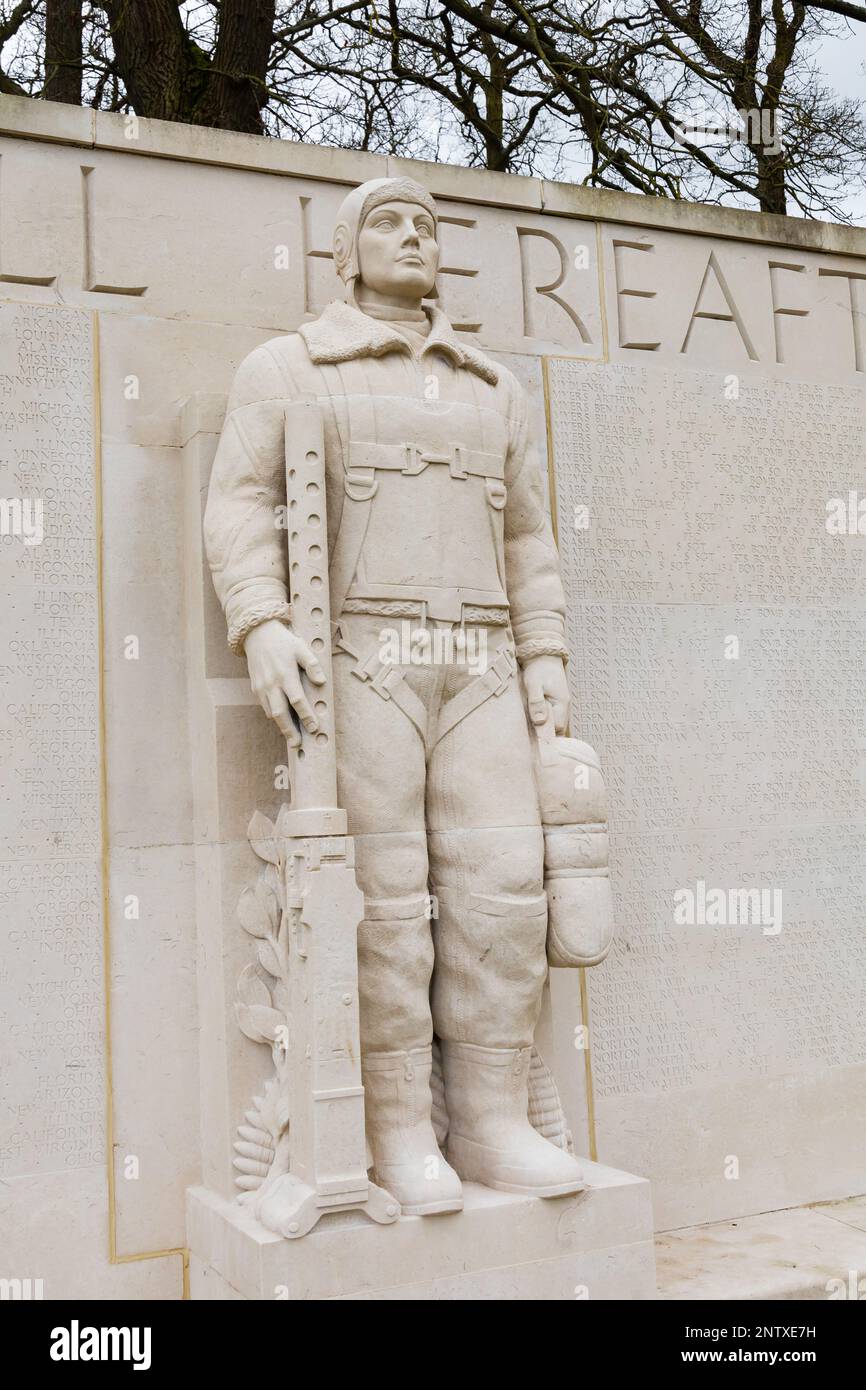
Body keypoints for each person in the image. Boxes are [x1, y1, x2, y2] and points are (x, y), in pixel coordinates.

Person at [204, 176, 585, 1215]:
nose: (413, 235)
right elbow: (239, 504)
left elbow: (528, 536)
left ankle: (493, 1124)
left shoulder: (493, 389)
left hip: (482, 665)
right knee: (380, 902)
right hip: (360, 661)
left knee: (504, 889)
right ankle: (400, 1131)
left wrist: (544, 651)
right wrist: (261, 622)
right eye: (388, 222)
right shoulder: (287, 367)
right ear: (344, 253)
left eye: (427, 224)